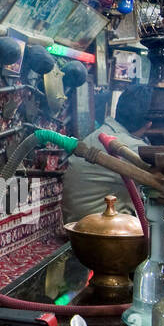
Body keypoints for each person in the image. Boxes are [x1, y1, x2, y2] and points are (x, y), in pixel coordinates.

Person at [62, 83, 152, 224]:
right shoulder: (132, 147)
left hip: (80, 227)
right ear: (150, 123)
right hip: (100, 235)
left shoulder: (104, 133)